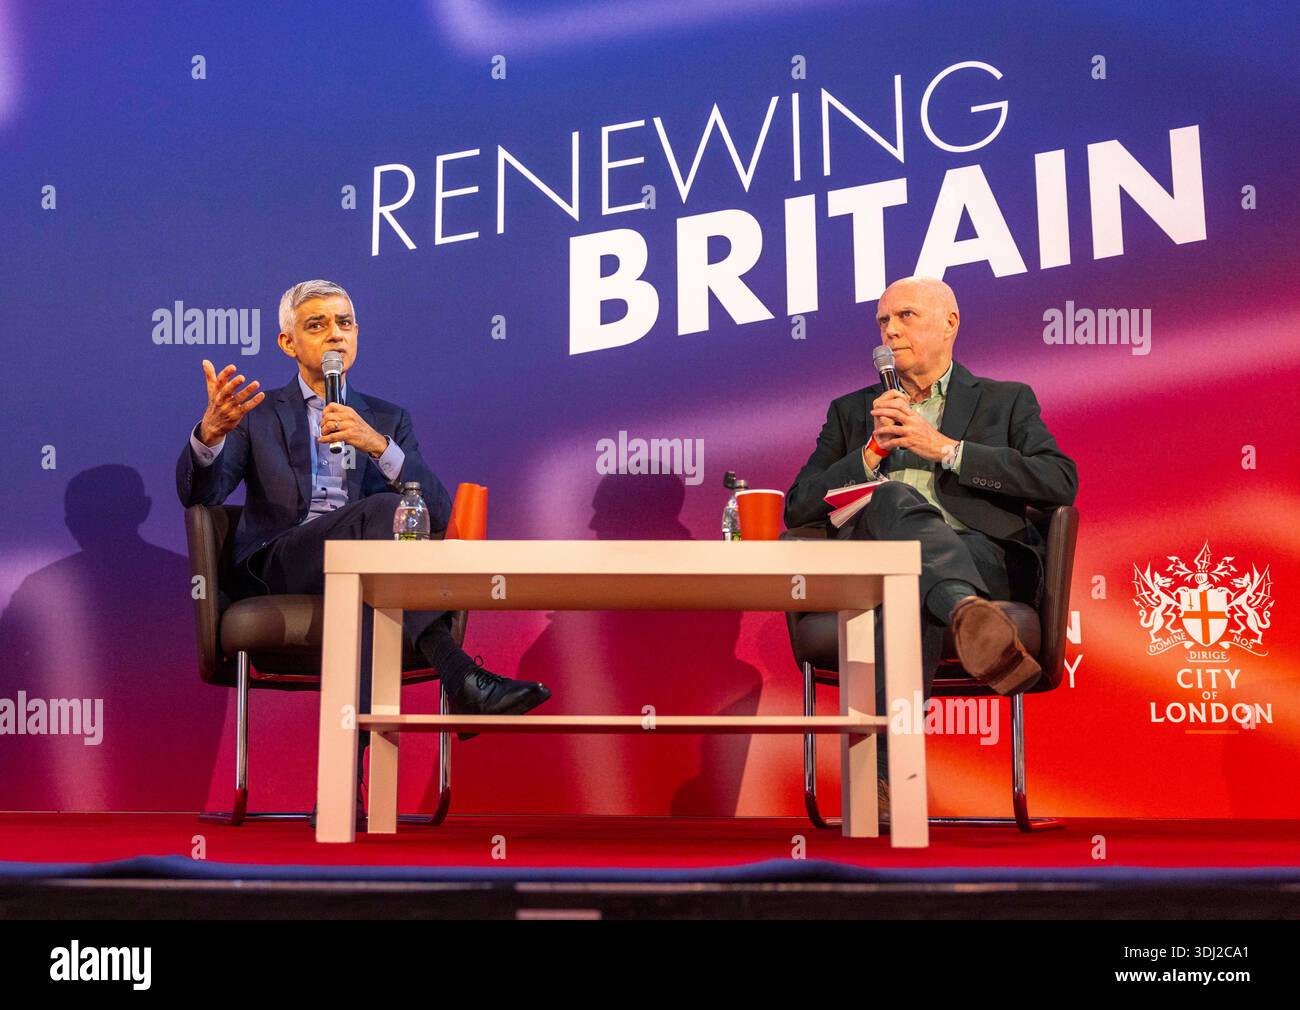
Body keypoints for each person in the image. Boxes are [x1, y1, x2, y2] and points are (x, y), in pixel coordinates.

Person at [175, 280, 552, 806]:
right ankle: (460, 674)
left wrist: (377, 445)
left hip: (365, 574)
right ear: (288, 343)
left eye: (345, 323)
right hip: (283, 562)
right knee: (383, 512)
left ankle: (341, 784)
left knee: (376, 589)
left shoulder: (388, 419)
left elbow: (438, 513)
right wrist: (210, 435)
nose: (335, 335)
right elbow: (201, 494)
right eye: (317, 325)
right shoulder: (256, 414)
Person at [785, 276, 1078, 800]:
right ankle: (964, 612)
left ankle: (884, 780)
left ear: (949, 323)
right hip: (874, 566)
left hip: (979, 554)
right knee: (891, 504)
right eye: (883, 321)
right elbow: (799, 505)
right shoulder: (851, 411)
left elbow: (1058, 480)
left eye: (905, 316)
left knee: (905, 584)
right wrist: (870, 455)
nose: (890, 331)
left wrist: (948, 449)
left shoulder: (1006, 400)